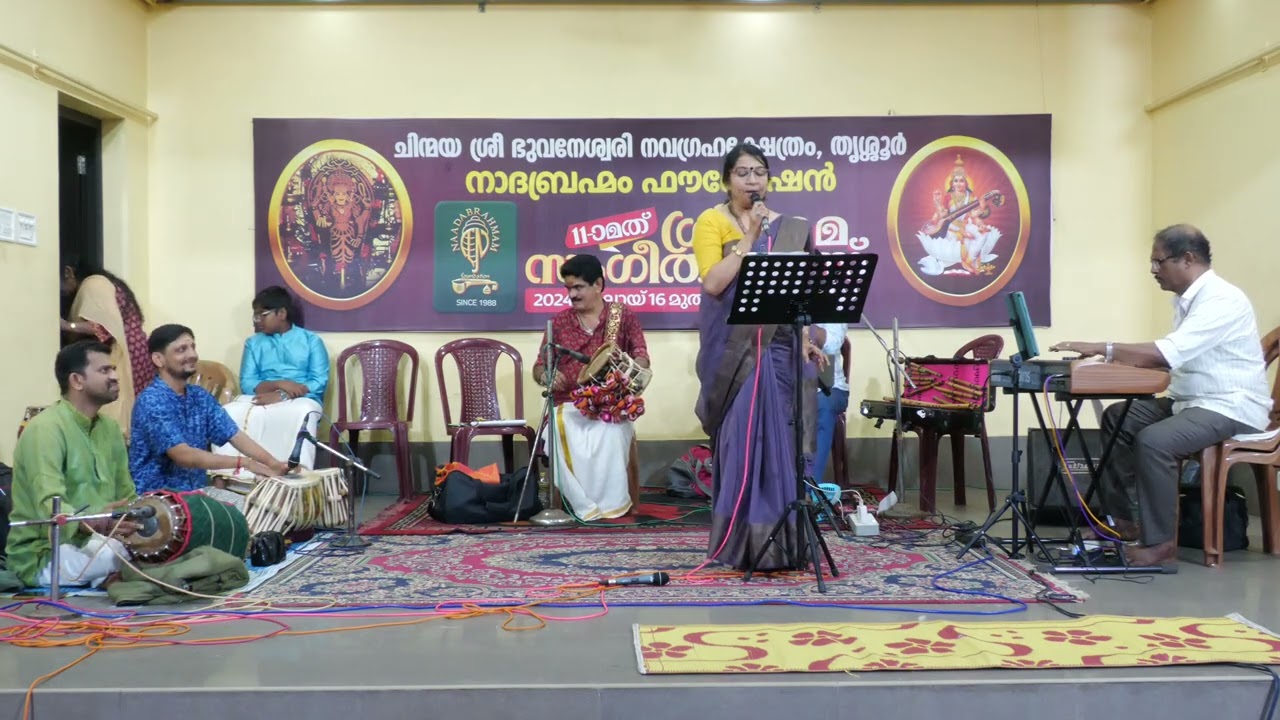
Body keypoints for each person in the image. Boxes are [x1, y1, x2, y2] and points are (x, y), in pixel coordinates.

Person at [1050, 224, 1272, 567]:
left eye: (1159, 262)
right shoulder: (1185, 301)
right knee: (1118, 417)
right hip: (1191, 401)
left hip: (1231, 404)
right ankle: (1122, 522)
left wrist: (1103, 349)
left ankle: (1161, 544)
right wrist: (1111, 360)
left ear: (1187, 259)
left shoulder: (1222, 299)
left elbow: (1165, 354)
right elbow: (1171, 358)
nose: (1153, 270)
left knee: (1156, 440)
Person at [693, 142, 826, 571]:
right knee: (742, 439)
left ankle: (782, 544)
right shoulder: (711, 222)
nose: (753, 181)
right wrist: (748, 238)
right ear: (727, 179)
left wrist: (806, 337)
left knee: (780, 439)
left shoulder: (789, 228)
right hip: (734, 350)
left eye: (760, 172)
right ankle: (739, 544)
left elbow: (800, 292)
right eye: (743, 173)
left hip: (781, 345)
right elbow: (714, 284)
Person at [7, 341, 140, 588]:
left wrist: (138, 522)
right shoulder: (45, 429)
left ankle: (111, 577)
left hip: (101, 543)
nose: (114, 376)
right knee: (117, 556)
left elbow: (126, 493)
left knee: (158, 549)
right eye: (104, 371)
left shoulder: (110, 429)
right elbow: (50, 502)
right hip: (46, 553)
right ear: (77, 381)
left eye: (113, 369)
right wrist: (89, 522)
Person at [531, 254, 650, 520]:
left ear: (598, 284)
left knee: (611, 433)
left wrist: (627, 369)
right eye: (568, 288)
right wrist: (547, 376)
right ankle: (583, 506)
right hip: (569, 404)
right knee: (556, 437)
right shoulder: (559, 322)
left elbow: (642, 357)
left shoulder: (622, 316)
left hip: (610, 405)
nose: (571, 294)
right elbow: (539, 366)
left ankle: (611, 506)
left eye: (578, 287)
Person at [129, 324, 290, 494]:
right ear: (158, 359)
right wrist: (245, 463)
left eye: (193, 347)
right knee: (244, 514)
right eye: (181, 350)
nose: (192, 355)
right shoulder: (152, 400)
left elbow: (234, 435)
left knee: (263, 508)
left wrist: (274, 464)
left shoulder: (198, 396)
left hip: (197, 494)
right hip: (160, 501)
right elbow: (183, 455)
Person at [214, 286, 329, 477]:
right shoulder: (253, 343)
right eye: (255, 315)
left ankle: (297, 475)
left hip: (302, 398)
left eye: (262, 314)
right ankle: (230, 476)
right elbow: (248, 382)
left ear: (282, 313)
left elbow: (319, 381)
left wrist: (282, 395)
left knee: (304, 412)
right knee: (229, 411)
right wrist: (279, 384)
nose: (257, 320)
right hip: (262, 396)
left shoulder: (311, 341)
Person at [60, 259, 153, 440]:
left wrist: (66, 325)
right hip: (139, 354)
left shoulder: (94, 284)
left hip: (124, 358)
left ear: (68, 272)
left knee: (113, 427)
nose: (62, 291)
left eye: (61, 284)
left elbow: (103, 329)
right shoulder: (109, 283)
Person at [811, 323, 850, 485]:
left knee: (821, 406)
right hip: (788, 385)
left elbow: (833, 344)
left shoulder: (832, 308)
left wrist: (806, 329)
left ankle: (809, 489)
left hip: (830, 387)